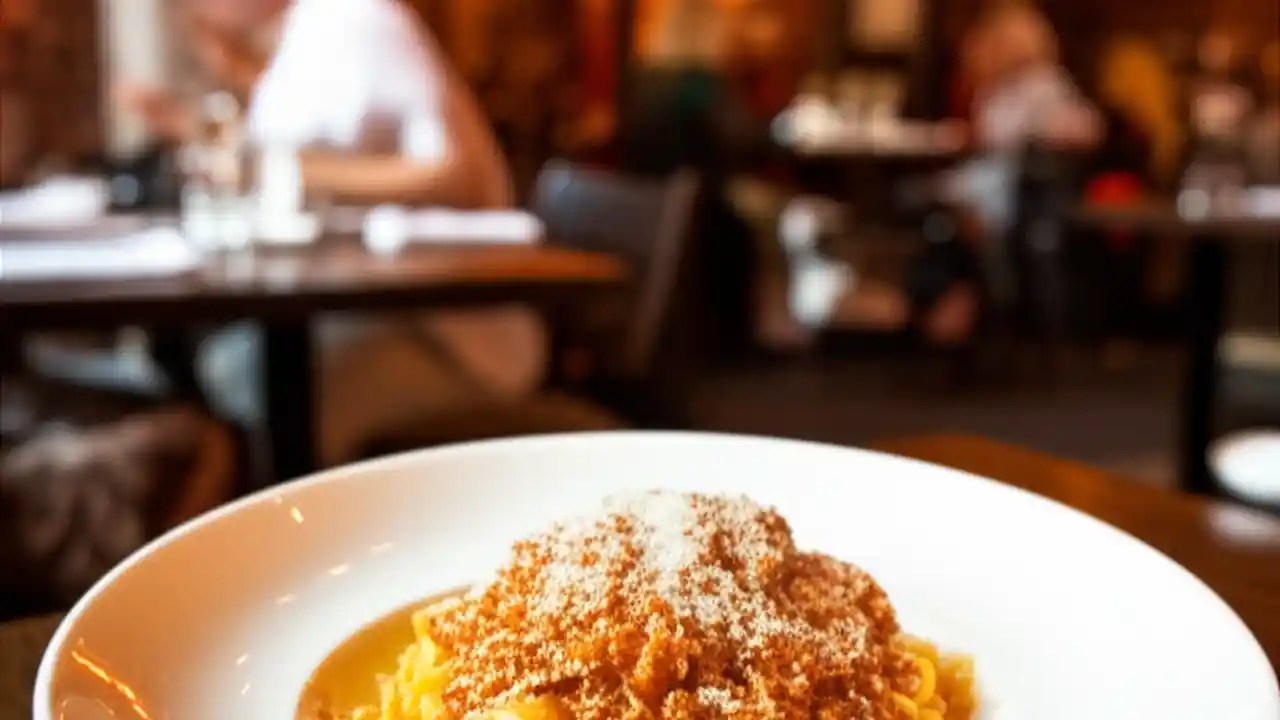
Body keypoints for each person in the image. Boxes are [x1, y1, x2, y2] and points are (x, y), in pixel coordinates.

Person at [124, 0, 544, 467]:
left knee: (257, 389)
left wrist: (283, 170)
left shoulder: (358, 15)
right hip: (370, 316)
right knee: (230, 369)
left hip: (452, 340)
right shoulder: (304, 35)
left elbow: (455, 172)